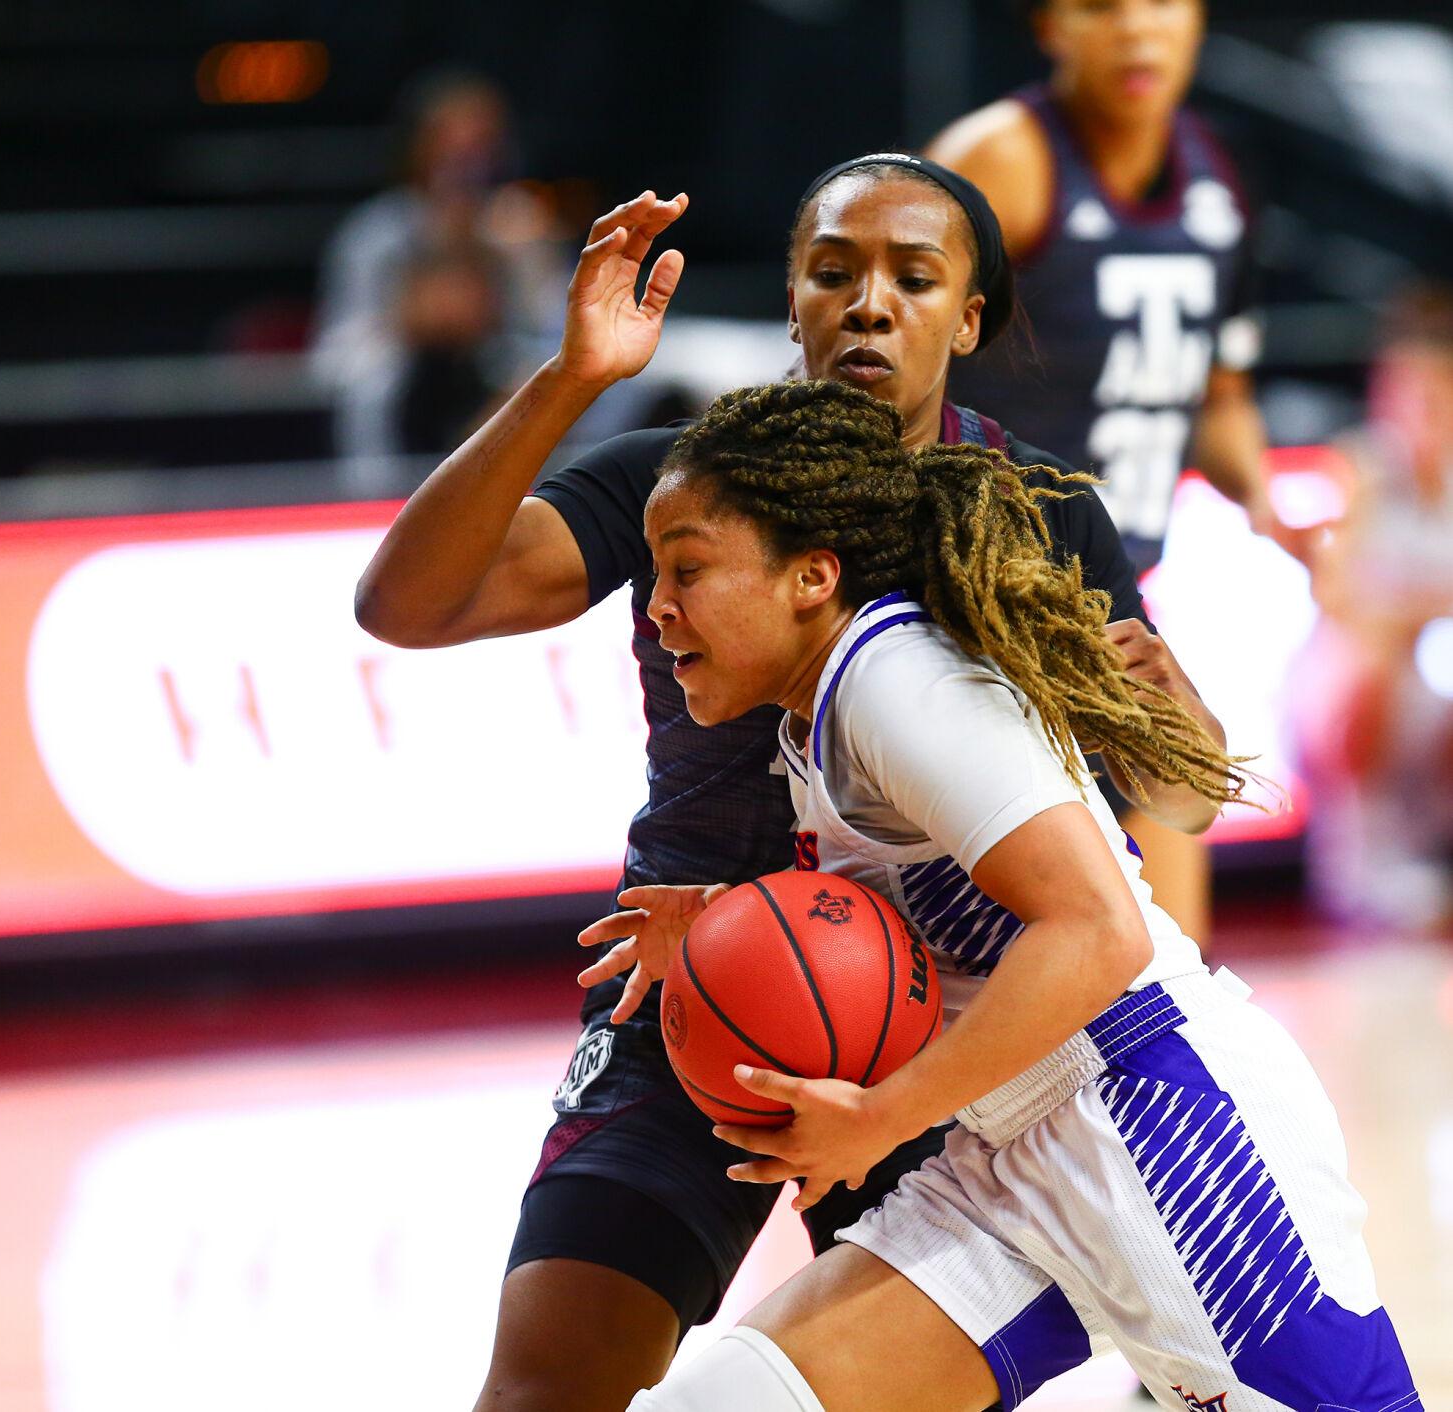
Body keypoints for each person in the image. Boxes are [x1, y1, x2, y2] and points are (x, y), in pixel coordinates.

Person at [356, 155, 1223, 1412]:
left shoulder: (1039, 509)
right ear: (794, 301)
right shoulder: (683, 479)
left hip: (928, 1030)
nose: (870, 303)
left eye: (913, 278)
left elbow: (1171, 806)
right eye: (834, 272)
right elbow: (407, 603)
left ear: (967, 318)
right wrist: (571, 380)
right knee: (547, 1386)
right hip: (692, 985)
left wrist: (1174, 725)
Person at [607, 378, 1420, 1412]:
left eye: (686, 570)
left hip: (1155, 1116)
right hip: (1008, 1152)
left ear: (811, 574)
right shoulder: (824, 708)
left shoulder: (892, 682)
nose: (657, 605)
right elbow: (931, 922)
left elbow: (1097, 929)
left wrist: (879, 1117)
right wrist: (735, 919)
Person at [926, 0, 1306, 944]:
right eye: (1102, 7)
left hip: (1109, 604)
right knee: (1013, 953)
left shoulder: (1219, 175)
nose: (1137, 31)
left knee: (1177, 957)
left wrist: (1262, 495)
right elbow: (870, 356)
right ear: (1050, 24)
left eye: (1161, 3)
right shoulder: (1001, 160)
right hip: (966, 602)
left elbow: (1217, 393)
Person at [313, 70, 566, 489]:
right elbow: (335, 356)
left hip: (494, 381)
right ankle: (377, 512)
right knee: (374, 386)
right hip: (403, 389)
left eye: (481, 145)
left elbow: (555, 330)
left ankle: (541, 504)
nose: (467, 162)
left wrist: (528, 261)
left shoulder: (517, 227)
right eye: (452, 145)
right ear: (420, 147)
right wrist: (409, 321)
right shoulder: (376, 235)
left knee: (551, 382)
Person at [1292, 285, 1453, 932]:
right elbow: (1337, 596)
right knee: (1371, 666)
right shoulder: (1359, 468)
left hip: (1431, 676)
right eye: (1409, 391)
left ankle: (1428, 851)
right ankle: (1360, 861)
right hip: (1349, 684)